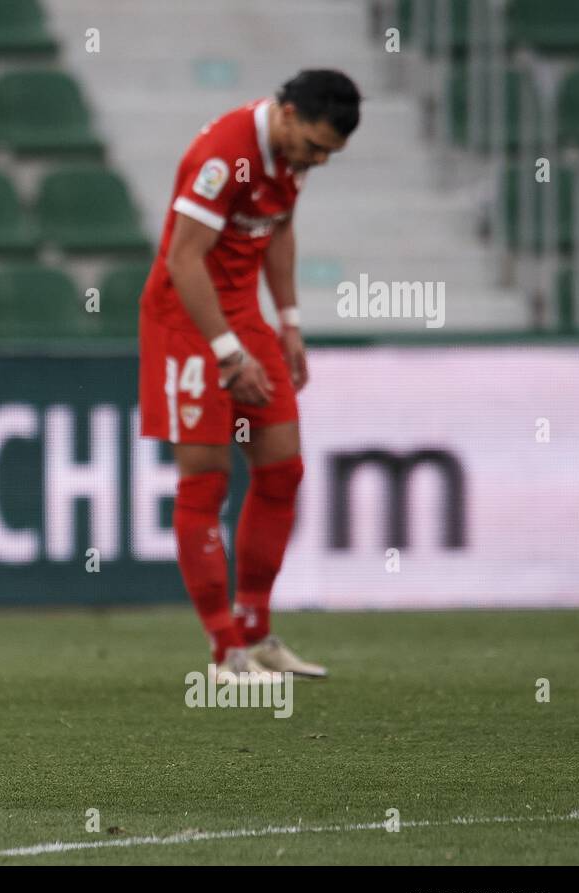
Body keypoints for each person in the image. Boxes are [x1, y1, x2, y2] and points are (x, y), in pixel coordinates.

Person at [138, 70, 361, 680]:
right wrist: (228, 354)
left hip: (243, 315)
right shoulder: (225, 155)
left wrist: (287, 320)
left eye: (327, 155)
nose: (316, 161)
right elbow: (184, 259)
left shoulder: (292, 158)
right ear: (286, 114)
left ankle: (257, 632)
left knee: (283, 469)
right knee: (206, 482)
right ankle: (224, 650)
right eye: (314, 147)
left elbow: (280, 228)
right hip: (187, 318)